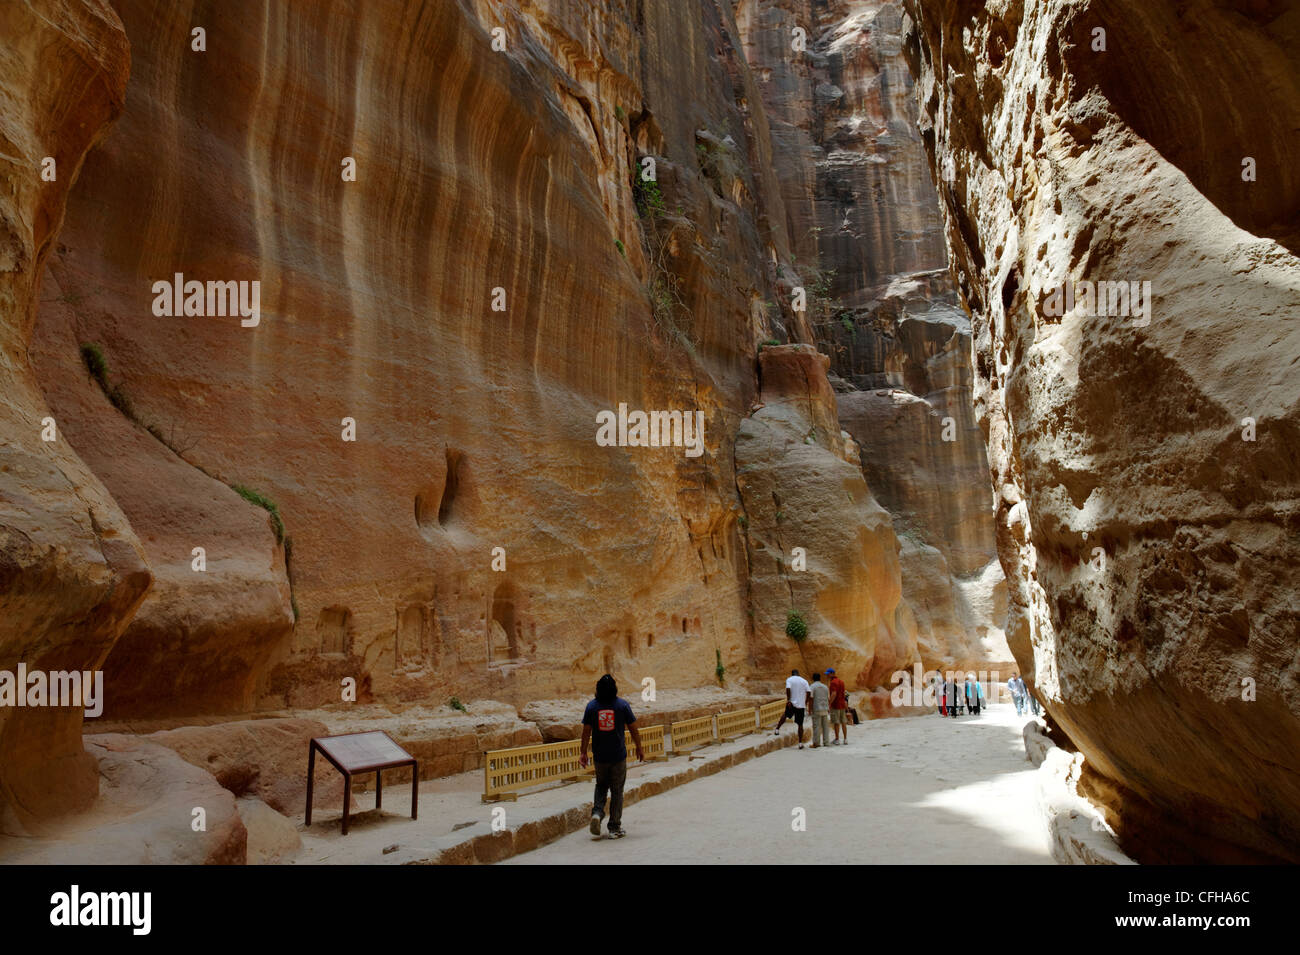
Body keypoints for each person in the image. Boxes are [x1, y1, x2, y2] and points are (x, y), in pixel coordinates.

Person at [579, 674, 643, 839]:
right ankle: (614, 827)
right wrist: (639, 747)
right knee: (617, 791)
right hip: (618, 756)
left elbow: (586, 731)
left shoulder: (592, 707)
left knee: (601, 786)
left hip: (600, 757)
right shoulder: (622, 705)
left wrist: (583, 752)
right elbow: (633, 727)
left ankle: (597, 813)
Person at [775, 668, 811, 748]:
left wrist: (788, 699)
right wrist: (805, 701)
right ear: (798, 674)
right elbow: (808, 691)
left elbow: (788, 688)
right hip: (801, 705)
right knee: (800, 724)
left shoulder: (790, 679)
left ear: (792, 674)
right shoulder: (804, 681)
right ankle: (800, 743)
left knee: (785, 715)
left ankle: (777, 729)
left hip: (792, 703)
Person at [809, 672, 831, 748]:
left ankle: (816, 743)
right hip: (825, 708)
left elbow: (811, 698)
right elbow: (828, 698)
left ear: (813, 678)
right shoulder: (825, 687)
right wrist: (828, 708)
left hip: (817, 708)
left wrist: (810, 709)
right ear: (820, 678)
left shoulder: (812, 686)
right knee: (825, 726)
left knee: (816, 726)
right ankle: (826, 742)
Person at [827, 668, 849, 744]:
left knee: (836, 722)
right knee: (843, 722)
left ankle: (837, 739)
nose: (827, 675)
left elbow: (834, 693)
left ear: (832, 673)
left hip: (836, 705)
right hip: (842, 704)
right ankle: (845, 739)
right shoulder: (841, 682)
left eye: (828, 674)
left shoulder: (833, 682)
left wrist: (829, 703)